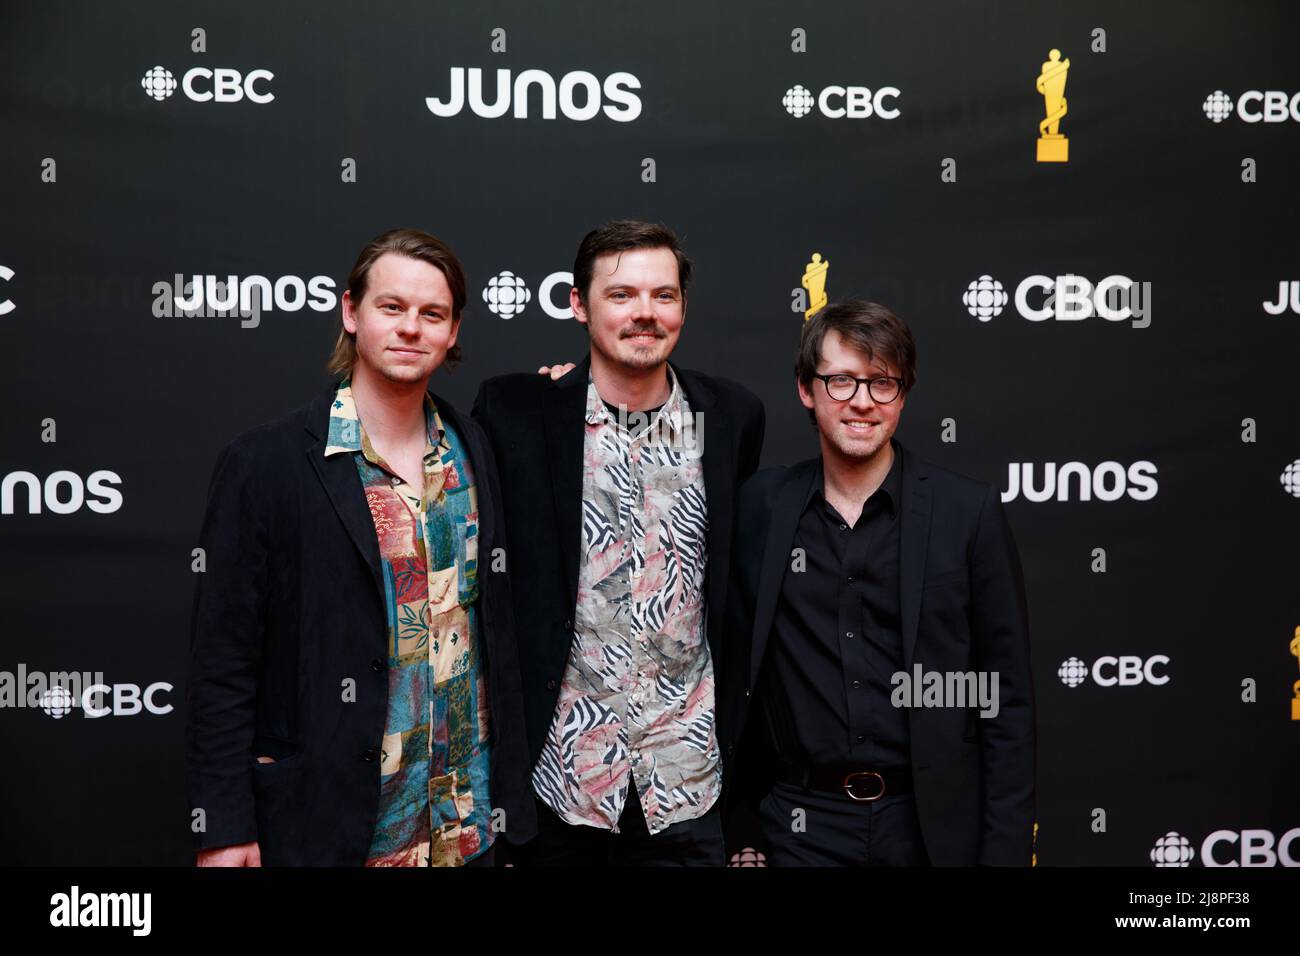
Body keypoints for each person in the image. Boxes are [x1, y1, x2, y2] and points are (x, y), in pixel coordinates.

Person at [187, 228, 535, 866]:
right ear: (351, 313)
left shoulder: (473, 449)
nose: (411, 328)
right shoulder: (266, 463)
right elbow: (222, 660)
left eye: (432, 314)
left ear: (453, 331)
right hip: (336, 826)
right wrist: (224, 827)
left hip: (466, 825)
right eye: (392, 308)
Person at [473, 220, 765, 865]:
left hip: (688, 784)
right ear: (578, 305)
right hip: (560, 786)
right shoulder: (517, 414)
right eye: (621, 295)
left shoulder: (731, 417)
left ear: (684, 307)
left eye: (664, 295)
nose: (645, 314)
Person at [722, 299, 1035, 866]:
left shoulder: (968, 513)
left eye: (882, 383)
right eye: (841, 381)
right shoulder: (758, 507)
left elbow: (1005, 701)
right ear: (805, 389)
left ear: (903, 394)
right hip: (798, 826)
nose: (862, 401)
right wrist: (578, 395)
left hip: (929, 828)